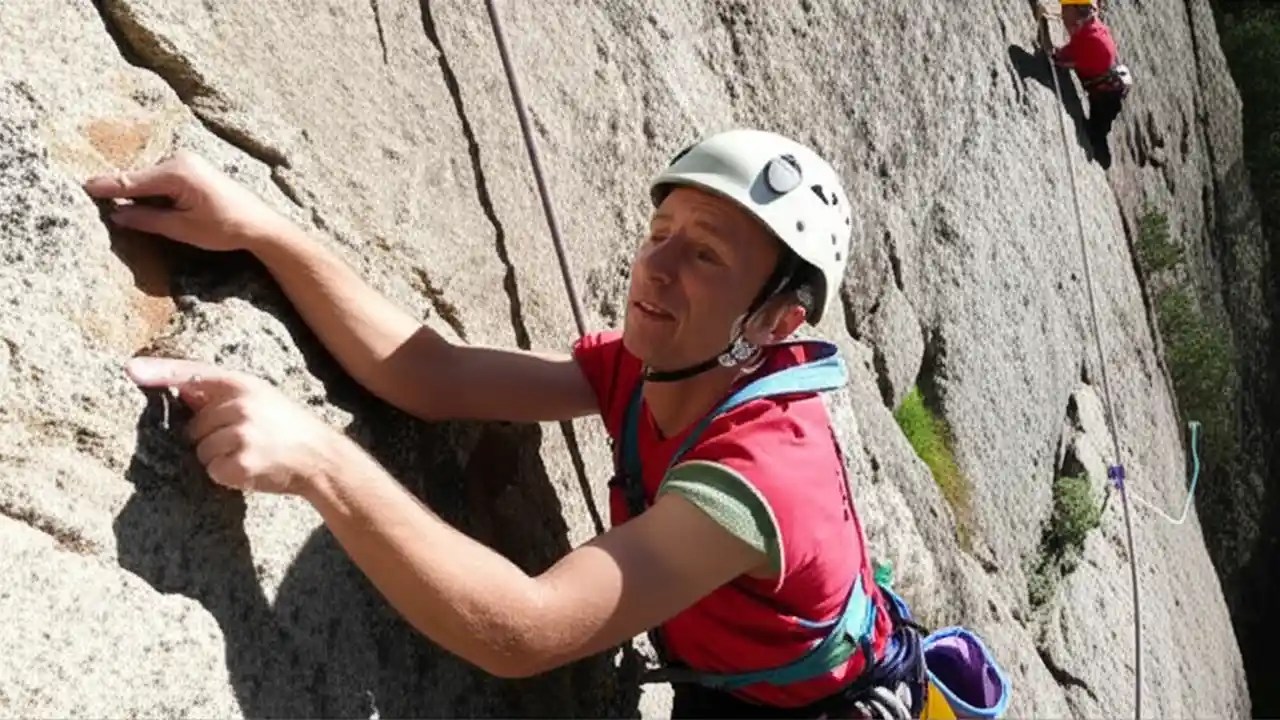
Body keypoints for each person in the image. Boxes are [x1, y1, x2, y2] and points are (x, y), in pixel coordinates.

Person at [83, 129, 926, 718]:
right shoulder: (661, 362)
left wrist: (319, 461)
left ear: (775, 324)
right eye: (659, 231)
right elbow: (433, 375)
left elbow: (525, 632)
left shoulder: (760, 480)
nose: (654, 268)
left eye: (704, 254)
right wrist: (262, 230)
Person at [1039, 0, 1132, 169]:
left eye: (1065, 9)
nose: (1062, 14)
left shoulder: (1088, 40)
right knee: (1100, 123)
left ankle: (1100, 158)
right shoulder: (1091, 26)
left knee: (1096, 130)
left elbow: (1060, 59)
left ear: (1077, 12)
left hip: (1106, 96)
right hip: (1108, 86)